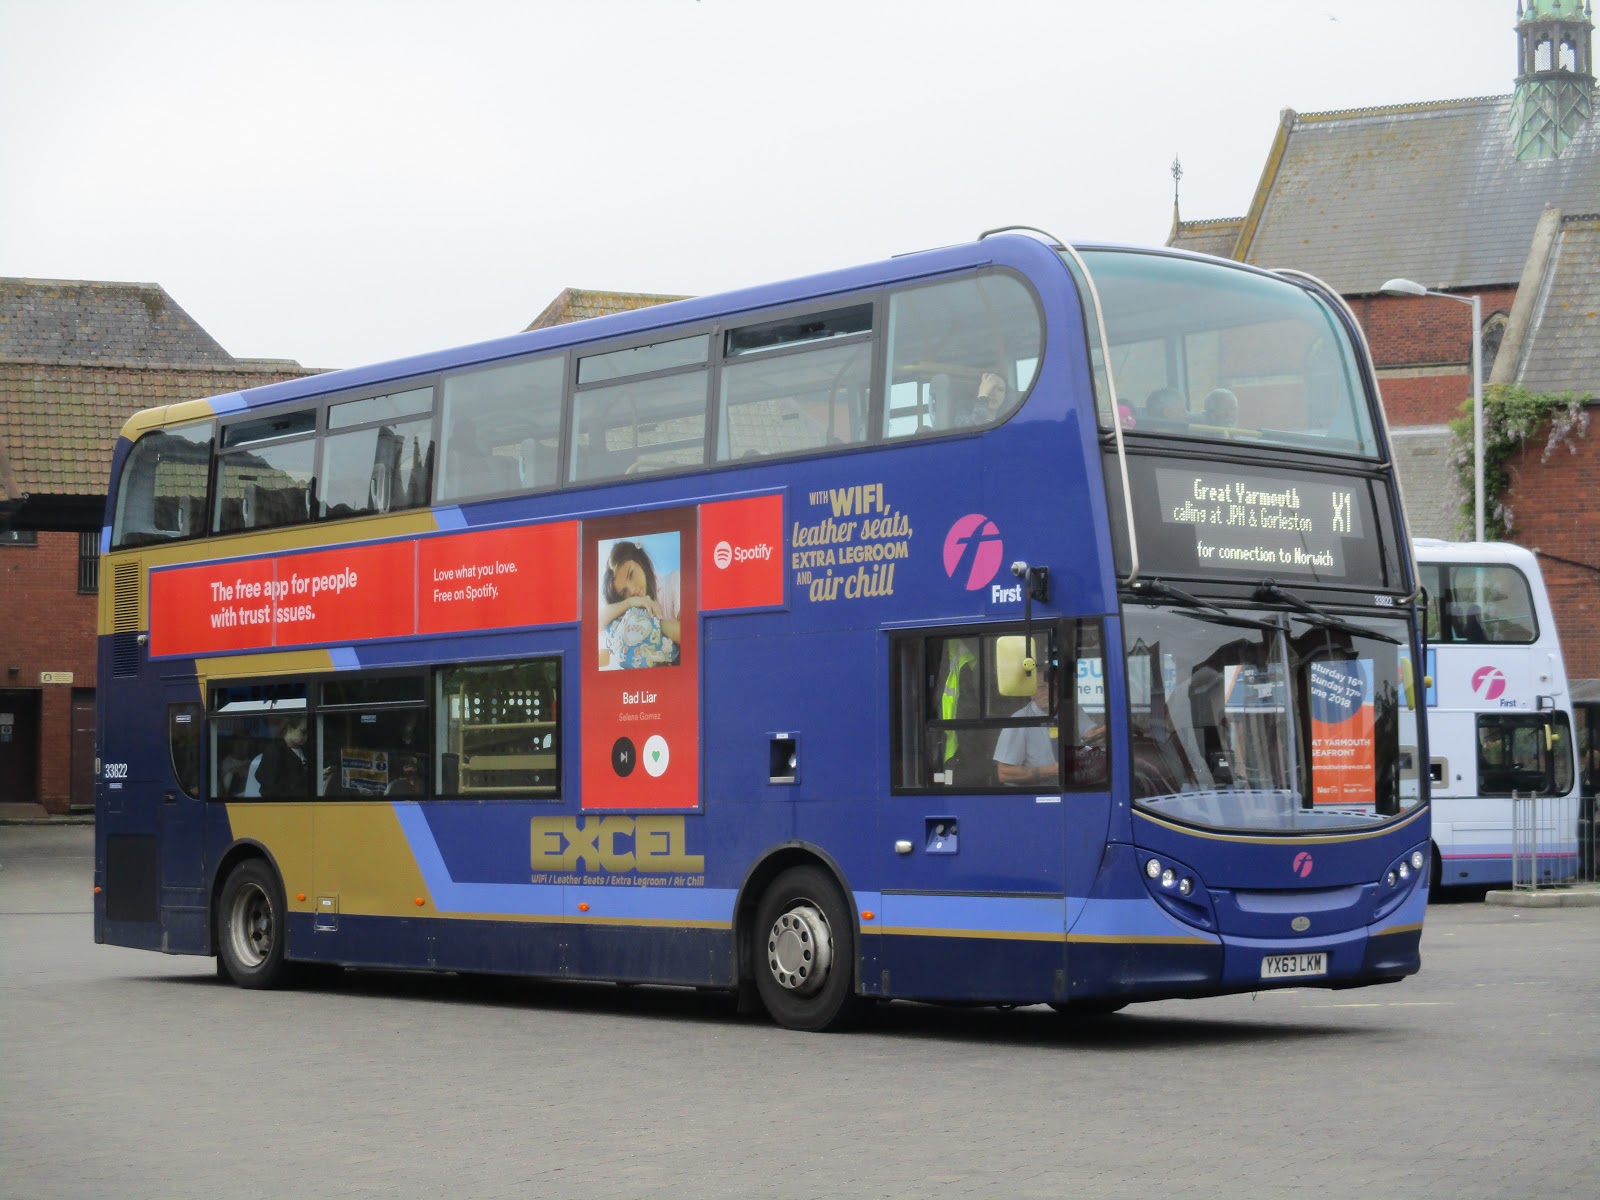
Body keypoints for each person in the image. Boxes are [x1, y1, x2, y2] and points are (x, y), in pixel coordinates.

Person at [599, 540, 681, 669]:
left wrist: (648, 624)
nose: (632, 590)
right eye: (624, 591)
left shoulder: (671, 582)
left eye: (631, 574)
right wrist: (629, 602)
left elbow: (689, 634)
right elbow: (594, 623)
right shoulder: (627, 611)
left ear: (640, 562)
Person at [993, 671, 1060, 786]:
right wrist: (1052, 770)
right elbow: (1004, 773)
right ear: (1031, 693)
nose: (1049, 692)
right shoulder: (1018, 720)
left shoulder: (1071, 711)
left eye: (1054, 687)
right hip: (1032, 793)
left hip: (1068, 790)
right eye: (1042, 687)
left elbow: (1090, 732)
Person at [254, 713, 312, 796]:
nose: (306, 737)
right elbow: (268, 787)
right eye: (303, 732)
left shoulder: (305, 749)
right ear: (289, 728)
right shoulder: (275, 751)